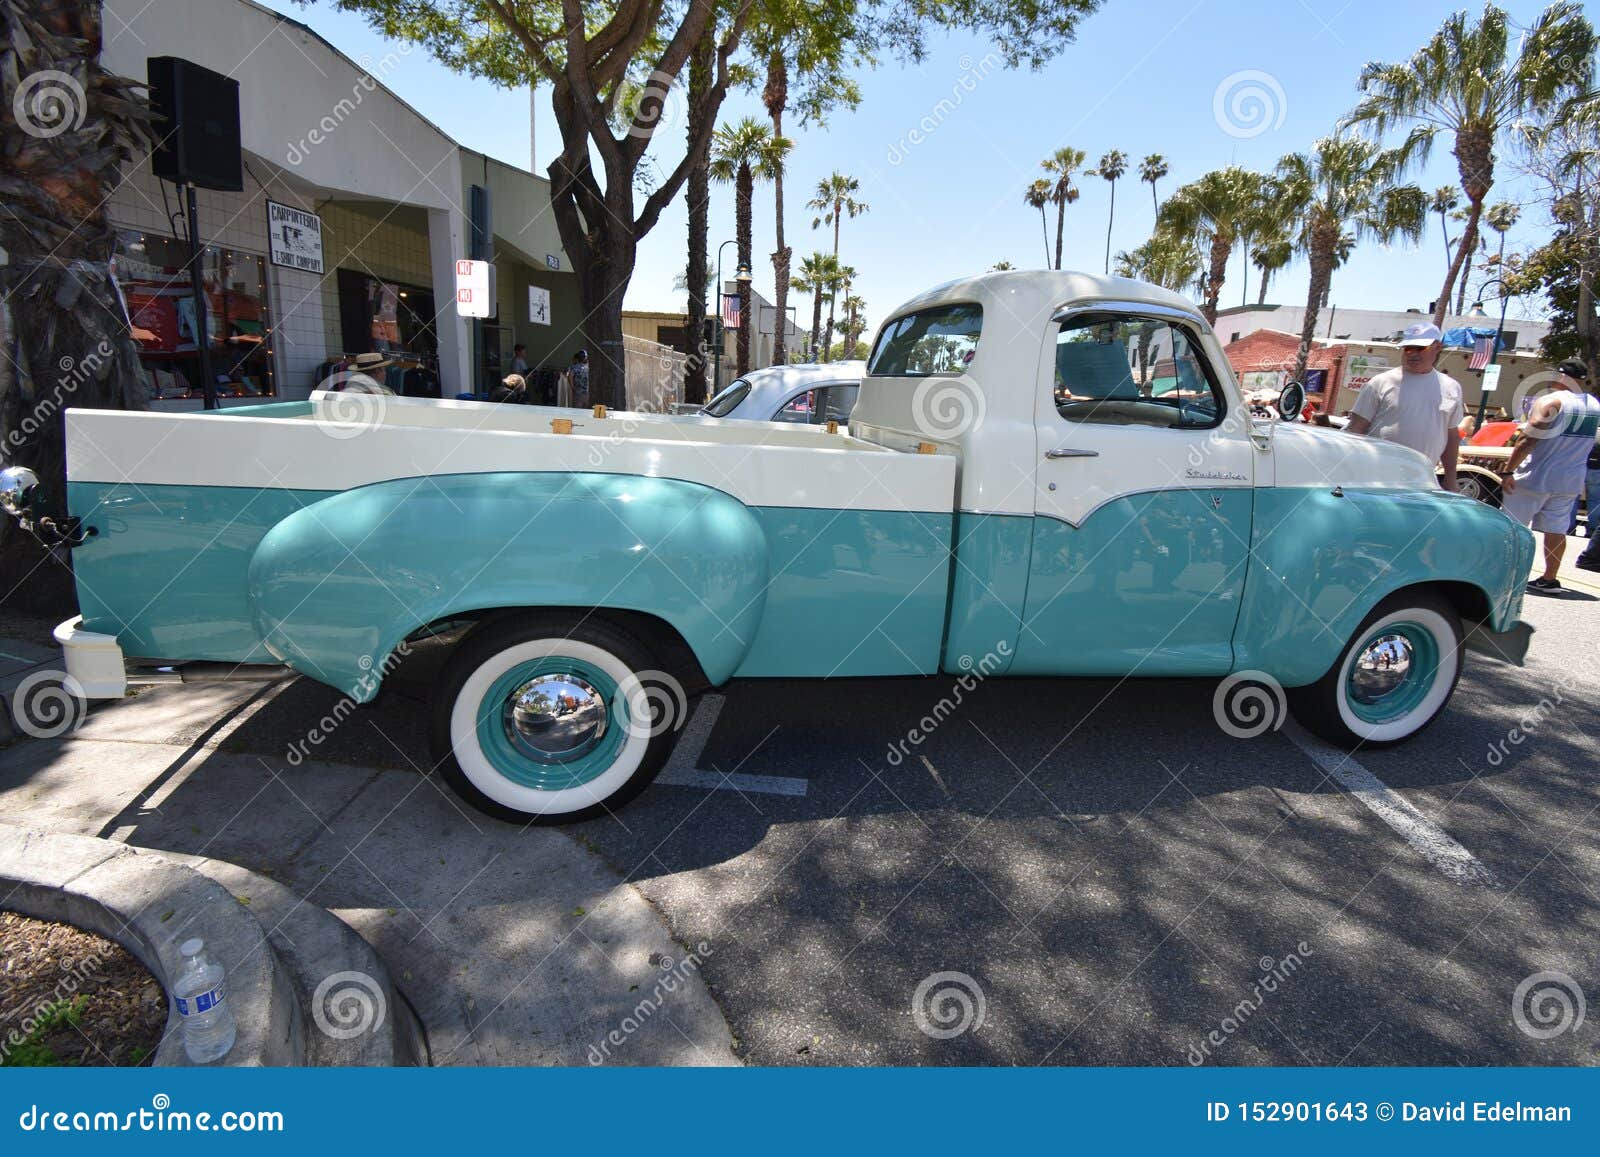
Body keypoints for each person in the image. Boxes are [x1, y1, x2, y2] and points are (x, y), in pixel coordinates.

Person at [1501, 359, 1600, 589]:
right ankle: (1549, 578)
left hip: (1536, 476)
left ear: (1563, 377)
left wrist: (1508, 470)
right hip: (1570, 479)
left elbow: (1528, 437)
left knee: (1512, 527)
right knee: (1556, 530)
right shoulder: (1594, 405)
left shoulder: (1551, 400)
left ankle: (1506, 574)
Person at [1344, 322, 1463, 491]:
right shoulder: (1380, 382)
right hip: (1376, 478)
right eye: (1408, 348)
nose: (1412, 354)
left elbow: (1451, 435)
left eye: (1419, 348)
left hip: (1424, 481)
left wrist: (1451, 478)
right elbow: (1355, 429)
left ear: (1437, 347)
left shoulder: (1452, 387)